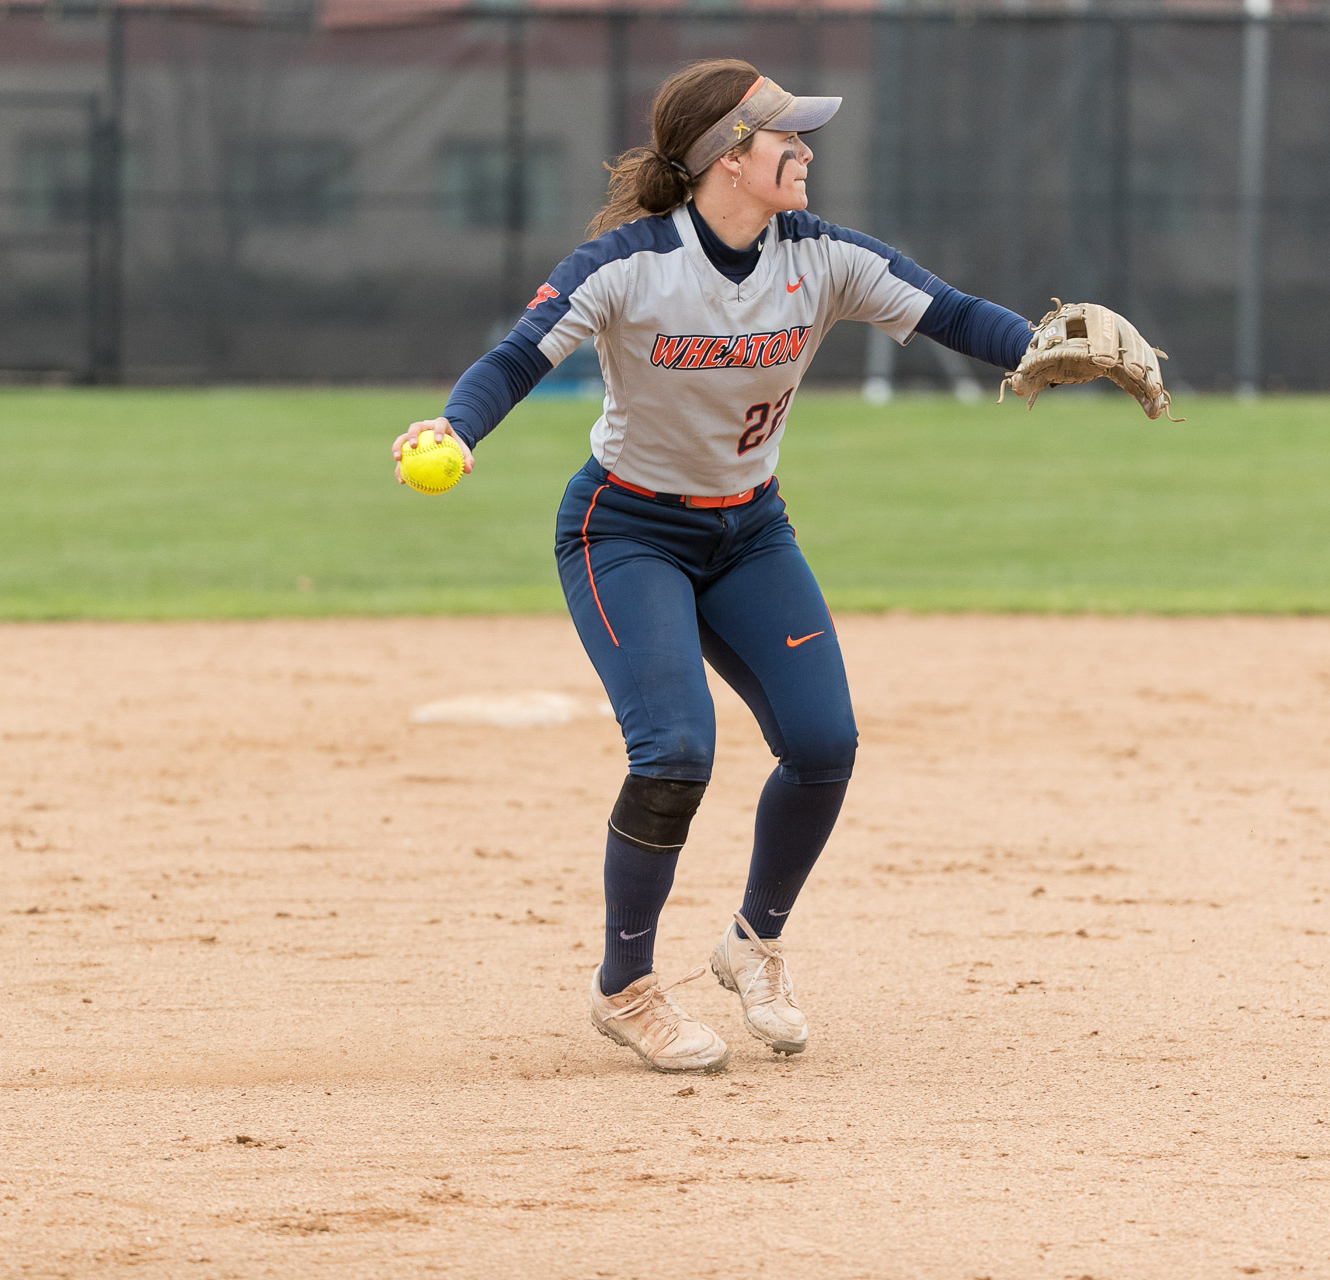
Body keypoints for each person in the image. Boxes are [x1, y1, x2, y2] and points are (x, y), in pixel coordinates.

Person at [392, 58, 1043, 1074]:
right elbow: (519, 355)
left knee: (823, 741)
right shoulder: (628, 264)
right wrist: (456, 426)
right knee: (674, 751)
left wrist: (1042, 348)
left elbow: (950, 311)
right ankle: (626, 986)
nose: (805, 149)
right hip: (626, 531)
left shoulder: (821, 257)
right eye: (785, 135)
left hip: (749, 533)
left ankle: (753, 942)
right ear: (729, 158)